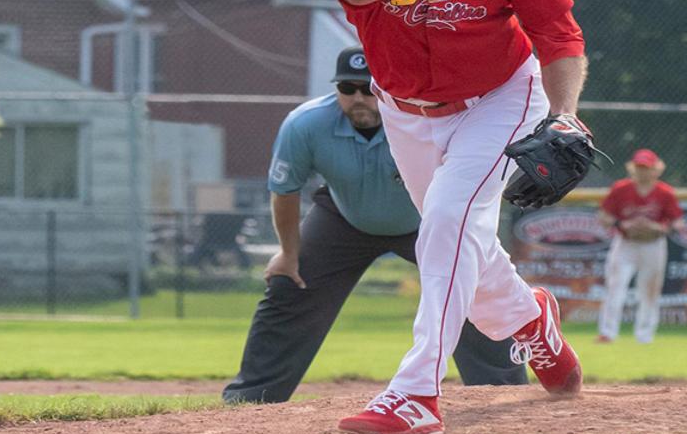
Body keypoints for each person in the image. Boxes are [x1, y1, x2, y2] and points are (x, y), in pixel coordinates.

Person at [313, 0, 588, 434]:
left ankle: (415, 395)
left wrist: (566, 114)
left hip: (501, 97)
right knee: (464, 236)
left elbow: (557, 33)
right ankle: (531, 320)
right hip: (406, 109)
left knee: (445, 222)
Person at [222, 46, 527, 405]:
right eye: (347, 89)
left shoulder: (427, 120)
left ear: (389, 87)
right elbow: (284, 191)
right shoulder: (306, 124)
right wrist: (289, 254)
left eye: (368, 88)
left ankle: (502, 396)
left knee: (477, 288)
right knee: (289, 282)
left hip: (426, 219)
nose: (357, 98)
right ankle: (251, 400)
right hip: (344, 218)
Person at [595, 148, 686, 344]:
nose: (642, 171)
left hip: (653, 245)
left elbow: (678, 222)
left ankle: (644, 336)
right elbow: (603, 216)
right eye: (639, 167)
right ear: (632, 168)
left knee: (649, 291)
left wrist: (658, 227)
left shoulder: (665, 192)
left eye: (646, 167)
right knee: (615, 287)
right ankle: (607, 333)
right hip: (625, 243)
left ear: (656, 169)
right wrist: (621, 224)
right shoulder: (620, 188)